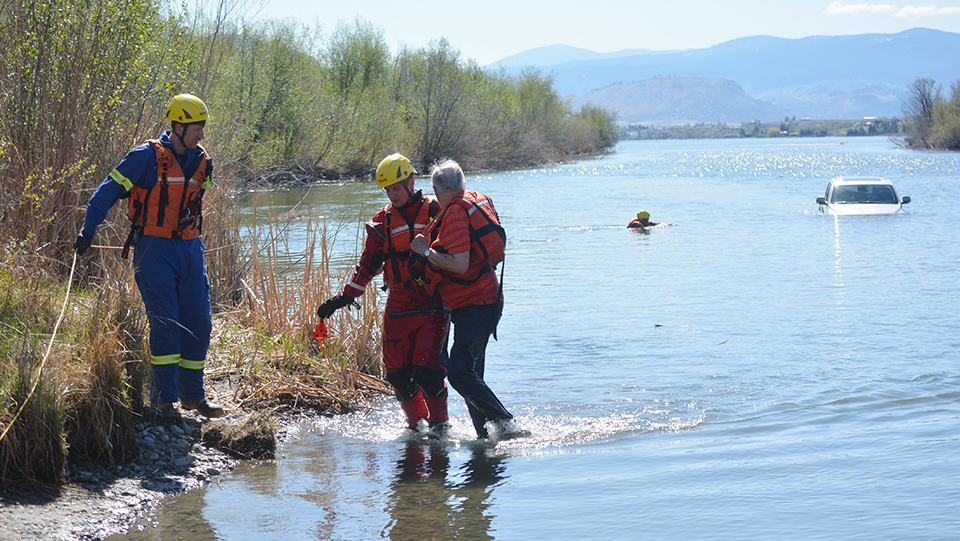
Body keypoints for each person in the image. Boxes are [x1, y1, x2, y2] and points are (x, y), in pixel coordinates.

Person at [74, 93, 224, 418]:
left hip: (190, 249)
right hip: (155, 250)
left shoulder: (203, 161)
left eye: (202, 128)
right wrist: (89, 229)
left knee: (199, 322)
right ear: (179, 127)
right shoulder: (145, 157)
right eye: (197, 128)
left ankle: (192, 396)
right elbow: (107, 191)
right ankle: (162, 401)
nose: (202, 135)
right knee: (166, 323)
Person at [316, 153, 451, 436]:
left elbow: (459, 251)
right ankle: (416, 430)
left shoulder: (436, 210)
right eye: (388, 190)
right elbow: (367, 265)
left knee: (427, 372)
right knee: (397, 375)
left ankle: (440, 429)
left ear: (411, 183)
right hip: (399, 303)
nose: (393, 195)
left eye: (397, 188)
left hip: (433, 303)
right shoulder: (383, 222)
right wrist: (343, 298)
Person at [411, 159, 527, 440]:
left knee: (459, 374)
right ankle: (484, 436)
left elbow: (460, 264)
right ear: (462, 183)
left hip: (478, 305)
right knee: (472, 375)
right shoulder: (473, 200)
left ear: (437, 190)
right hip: (482, 301)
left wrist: (425, 251)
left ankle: (507, 424)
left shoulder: (454, 213)